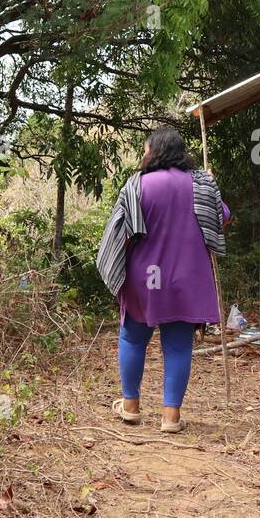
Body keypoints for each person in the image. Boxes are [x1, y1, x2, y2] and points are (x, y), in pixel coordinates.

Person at [95, 126, 229, 433]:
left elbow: (121, 231)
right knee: (179, 347)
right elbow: (222, 217)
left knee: (132, 338)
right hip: (187, 279)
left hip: (145, 279)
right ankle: (171, 418)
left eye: (145, 150)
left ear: (155, 152)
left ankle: (130, 407)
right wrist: (212, 185)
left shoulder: (138, 185)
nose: (144, 156)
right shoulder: (202, 185)